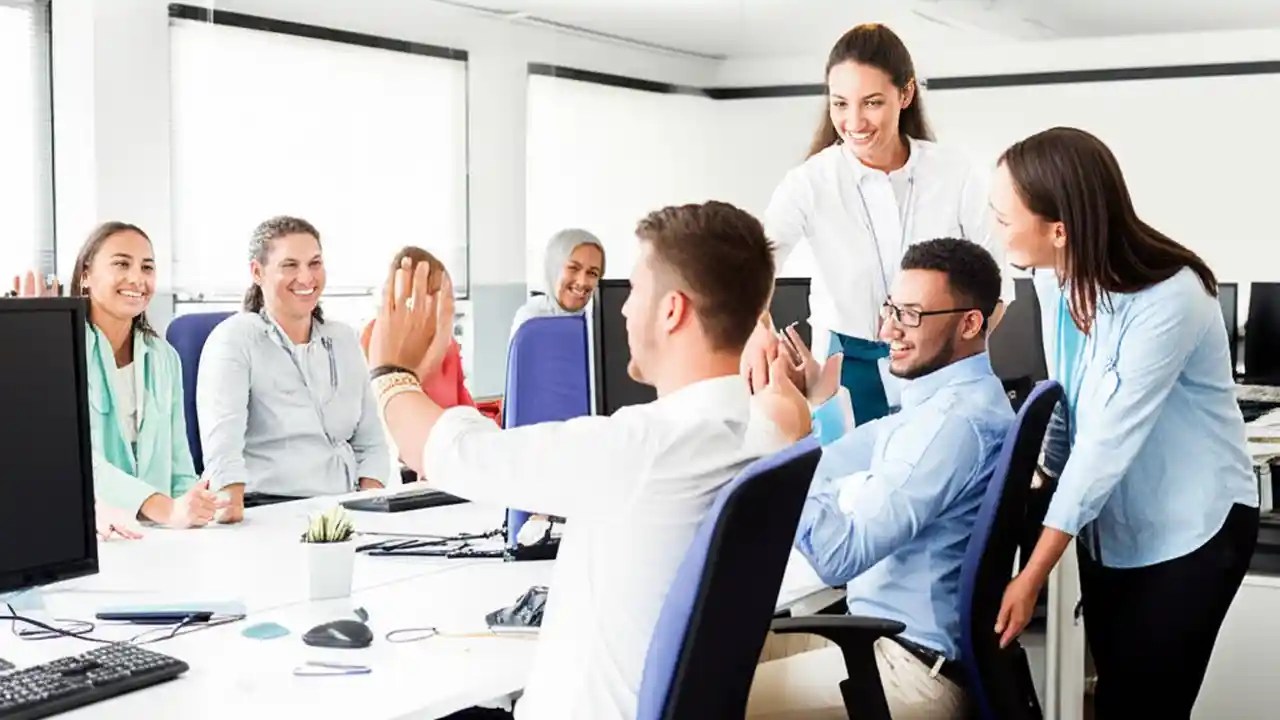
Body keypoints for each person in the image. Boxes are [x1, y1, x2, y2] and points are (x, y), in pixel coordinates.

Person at [369, 201, 786, 719]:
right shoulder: (762, 429)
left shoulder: (645, 449)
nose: (624, 310)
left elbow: (454, 455)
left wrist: (388, 369)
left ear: (672, 310)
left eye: (634, 291)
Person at [989, 127, 1259, 718]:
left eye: (1006, 218)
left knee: (1143, 705)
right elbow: (1069, 403)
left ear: (1058, 229)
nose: (998, 229)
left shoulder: (1170, 298)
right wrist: (1040, 476)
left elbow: (1105, 444)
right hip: (1112, 530)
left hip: (1192, 529)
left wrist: (1033, 572)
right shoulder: (1053, 277)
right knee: (1117, 695)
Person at [747, 238, 1013, 719]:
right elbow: (839, 458)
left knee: (701, 691)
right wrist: (801, 418)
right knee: (710, 649)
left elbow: (838, 556)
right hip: (880, 642)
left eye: (910, 315)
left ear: (970, 323)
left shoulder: (951, 426)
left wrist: (789, 444)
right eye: (890, 309)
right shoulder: (944, 401)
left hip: (906, 671)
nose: (888, 329)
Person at [742, 23, 1012, 428]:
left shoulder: (952, 173)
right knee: (848, 485)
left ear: (905, 94)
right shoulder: (810, 182)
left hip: (940, 369)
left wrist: (953, 356)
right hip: (846, 373)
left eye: (871, 103)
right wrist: (758, 330)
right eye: (840, 104)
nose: (854, 121)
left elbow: (999, 287)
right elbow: (752, 270)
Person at [13, 225, 225, 528]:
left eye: (147, 267)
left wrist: (197, 505)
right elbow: (79, 462)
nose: (137, 279)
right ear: (86, 274)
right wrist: (164, 508)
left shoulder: (164, 357)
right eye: (121, 264)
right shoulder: (61, 349)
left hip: (155, 534)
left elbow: (179, 464)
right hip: (86, 528)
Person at [197, 215, 390, 517]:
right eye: (290, 265)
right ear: (257, 272)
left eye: (314, 263)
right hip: (268, 508)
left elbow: (372, 441)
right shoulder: (235, 339)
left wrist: (371, 508)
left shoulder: (342, 338)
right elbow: (223, 451)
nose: (306, 277)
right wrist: (230, 516)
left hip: (344, 508)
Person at [509, 228, 605, 339]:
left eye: (592, 273)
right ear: (553, 269)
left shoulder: (598, 324)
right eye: (573, 268)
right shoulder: (530, 321)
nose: (582, 282)